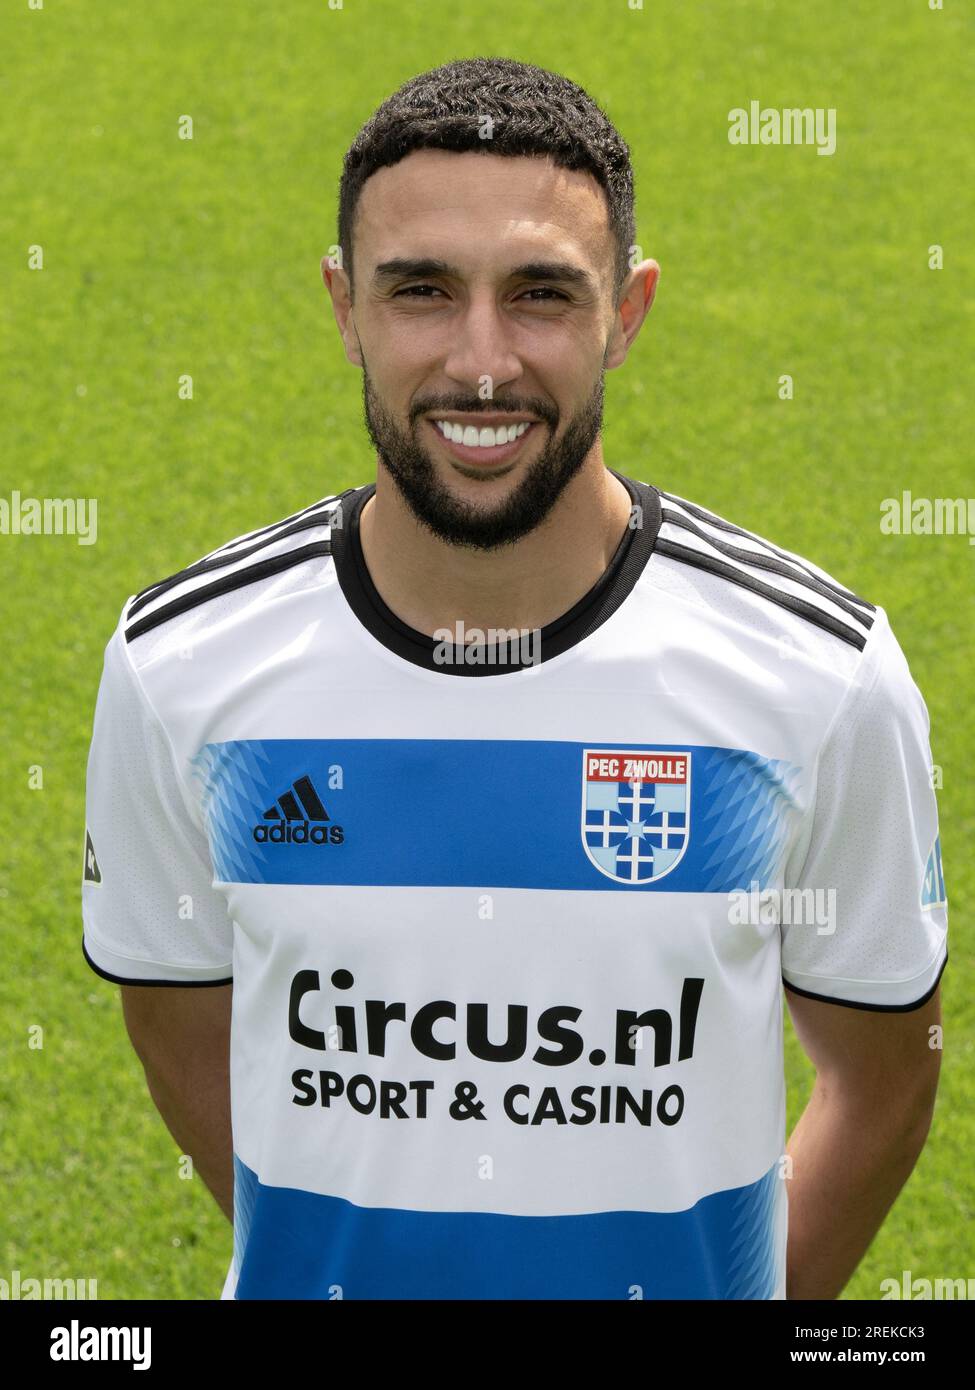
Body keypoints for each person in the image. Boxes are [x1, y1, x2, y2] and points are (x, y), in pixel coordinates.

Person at [81, 57, 947, 1300]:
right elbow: (177, 1023)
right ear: (344, 308)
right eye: (421, 290)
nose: (480, 362)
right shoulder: (181, 666)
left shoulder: (819, 678)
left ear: (628, 313)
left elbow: (883, 1074)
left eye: (542, 293)